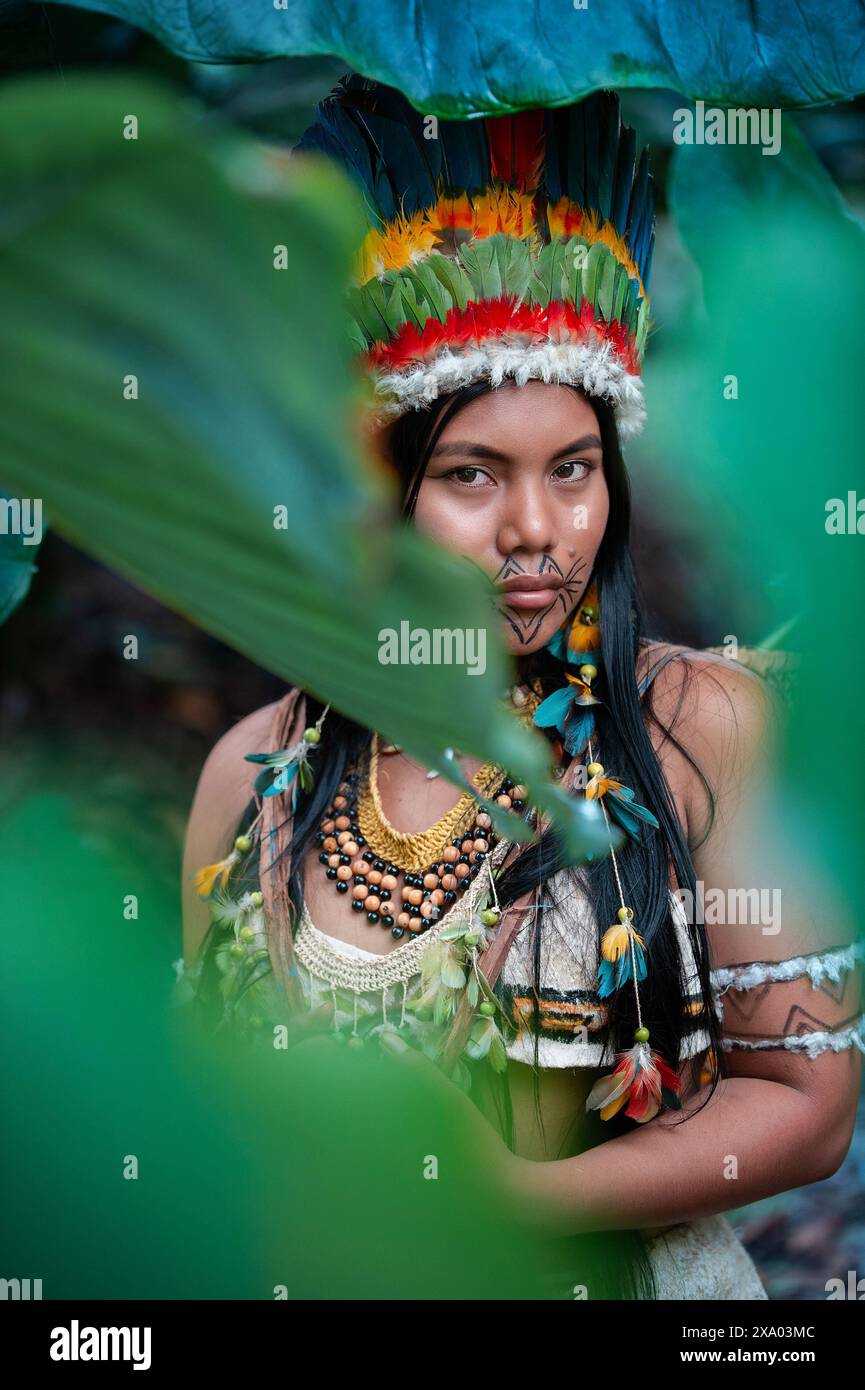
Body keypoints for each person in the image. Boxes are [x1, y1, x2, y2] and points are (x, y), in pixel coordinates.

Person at [180, 79, 864, 1300]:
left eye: (575, 469)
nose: (538, 529)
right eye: (471, 475)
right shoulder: (249, 776)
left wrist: (517, 1199)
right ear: (374, 492)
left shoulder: (694, 729)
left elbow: (804, 1106)